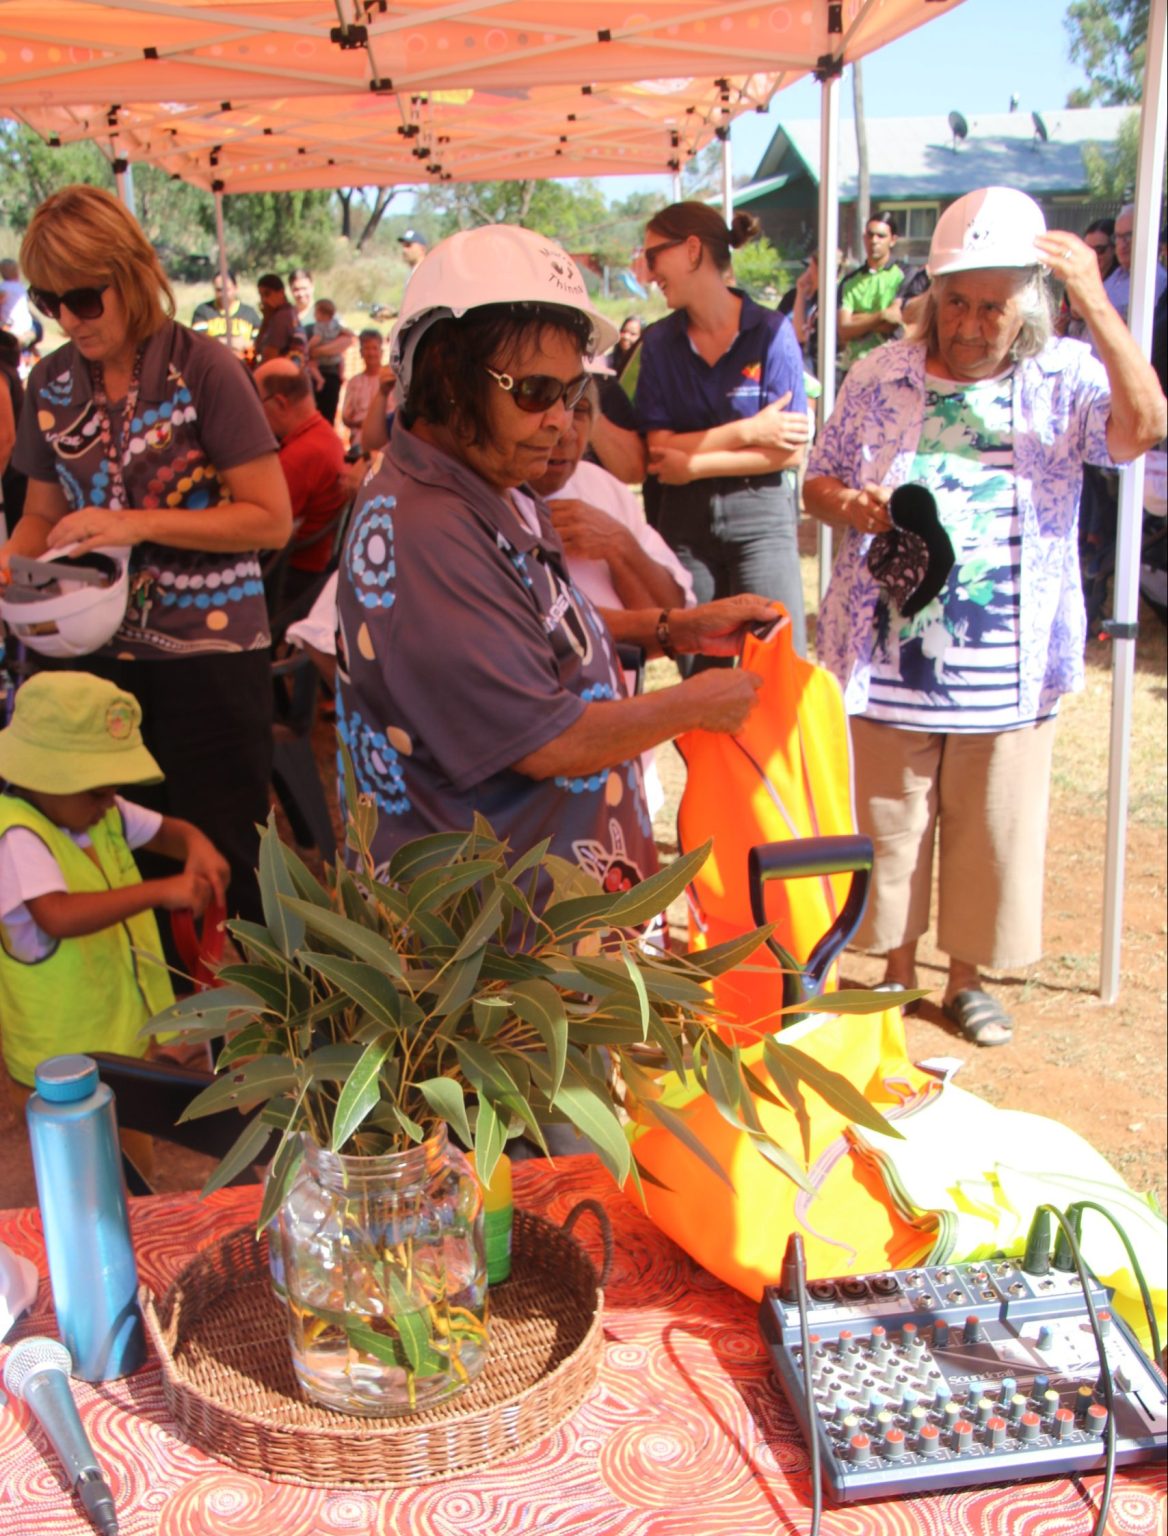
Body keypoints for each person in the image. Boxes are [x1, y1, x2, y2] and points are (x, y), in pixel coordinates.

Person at [804, 186, 1166, 1048]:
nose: (969, 325)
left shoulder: (1064, 376)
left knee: (988, 833)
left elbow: (1142, 428)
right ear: (933, 294)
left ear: (1029, 306)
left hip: (1008, 665)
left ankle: (964, 982)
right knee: (888, 827)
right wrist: (852, 506)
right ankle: (895, 974)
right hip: (887, 665)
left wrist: (1098, 306)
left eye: (992, 307)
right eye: (956, 301)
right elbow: (817, 478)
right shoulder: (880, 374)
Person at [336, 223, 775, 896]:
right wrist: (695, 703)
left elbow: (526, 626)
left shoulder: (493, 483)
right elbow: (543, 742)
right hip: (495, 932)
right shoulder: (425, 529)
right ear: (448, 375)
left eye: (572, 397)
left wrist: (672, 628)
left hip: (549, 914)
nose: (562, 423)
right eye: (536, 392)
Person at [2, 183, 292, 928]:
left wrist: (130, 524)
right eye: (47, 301)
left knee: (224, 857)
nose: (68, 319)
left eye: (83, 298)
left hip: (208, 656)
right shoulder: (50, 382)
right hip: (86, 656)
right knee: (114, 858)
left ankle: (242, 1001)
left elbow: (270, 518)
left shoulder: (204, 369)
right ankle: (147, 1001)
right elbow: (40, 514)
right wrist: (15, 567)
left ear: (130, 274)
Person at [0, 671, 228, 1095]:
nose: (110, 804)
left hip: (119, 1036)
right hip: (56, 1060)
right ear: (44, 775)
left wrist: (198, 846)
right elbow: (57, 916)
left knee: (128, 1130)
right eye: (97, 793)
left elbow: (167, 833)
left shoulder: (98, 811)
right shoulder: (16, 835)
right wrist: (159, 891)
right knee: (81, 1139)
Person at [633, 202, 810, 659]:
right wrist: (751, 430)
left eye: (653, 256)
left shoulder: (771, 332)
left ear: (693, 250)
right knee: (699, 676)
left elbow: (789, 453)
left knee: (776, 663)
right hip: (684, 526)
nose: (649, 273)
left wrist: (693, 466)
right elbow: (659, 451)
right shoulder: (658, 342)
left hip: (762, 519)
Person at [256, 358, 348, 608]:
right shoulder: (325, 435)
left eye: (256, 403)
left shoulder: (301, 455)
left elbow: (260, 530)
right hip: (307, 572)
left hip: (286, 578)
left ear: (280, 403)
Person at [837, 211, 906, 373]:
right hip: (855, 369)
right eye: (870, 235)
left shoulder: (904, 274)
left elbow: (894, 322)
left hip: (892, 368)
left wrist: (857, 319)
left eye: (881, 236)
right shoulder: (849, 282)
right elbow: (844, 329)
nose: (874, 241)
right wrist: (881, 315)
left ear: (893, 240)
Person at [190, 270, 260, 358]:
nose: (223, 294)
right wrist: (232, 342)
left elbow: (259, 341)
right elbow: (199, 341)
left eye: (227, 289)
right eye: (219, 290)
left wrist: (245, 344)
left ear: (235, 288)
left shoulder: (249, 313)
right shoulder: (203, 311)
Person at [306, 297, 354, 426]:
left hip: (329, 373)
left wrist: (313, 349)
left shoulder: (319, 327)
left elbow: (347, 340)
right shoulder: (333, 326)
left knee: (326, 417)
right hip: (318, 374)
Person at [340, 329, 386, 447]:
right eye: (367, 348)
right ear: (361, 352)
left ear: (381, 351)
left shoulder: (390, 379)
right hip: (359, 440)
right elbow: (346, 417)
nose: (371, 353)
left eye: (374, 348)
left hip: (387, 439)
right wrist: (363, 424)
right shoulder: (354, 382)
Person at [254, 273, 307, 364]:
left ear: (281, 292)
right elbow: (258, 347)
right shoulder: (287, 312)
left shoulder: (282, 317)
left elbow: (269, 356)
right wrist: (266, 319)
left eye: (267, 294)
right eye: (261, 296)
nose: (264, 300)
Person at [606, 316, 642, 380]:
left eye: (633, 334)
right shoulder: (608, 362)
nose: (626, 337)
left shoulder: (646, 366)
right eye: (623, 331)